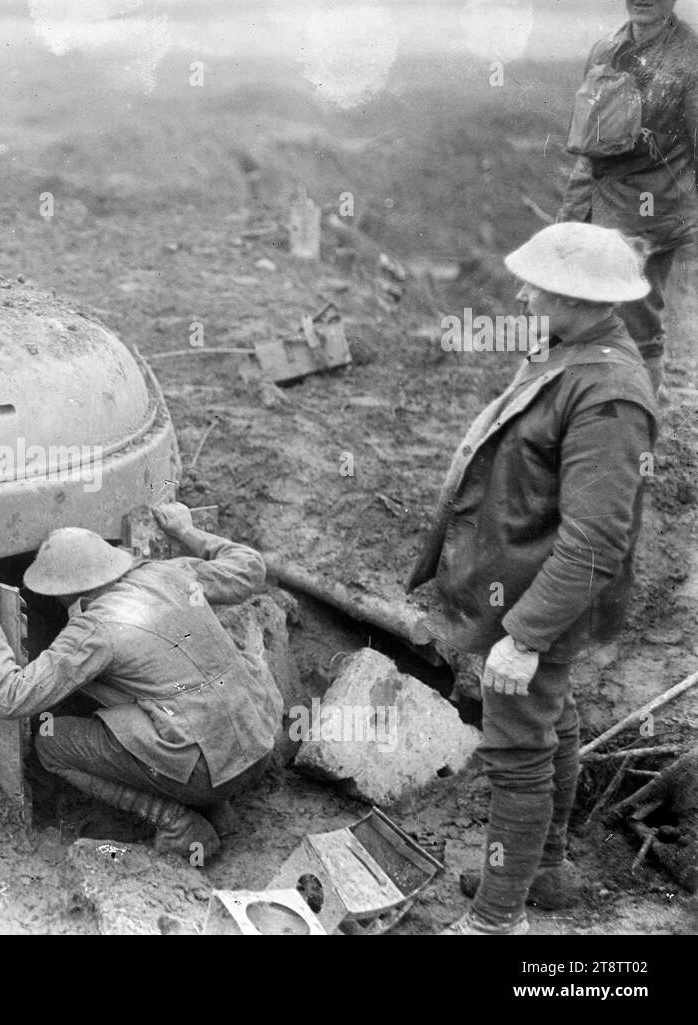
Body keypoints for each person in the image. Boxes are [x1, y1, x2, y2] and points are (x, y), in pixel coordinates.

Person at [406, 222, 657, 935]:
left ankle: (497, 917)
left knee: (517, 748)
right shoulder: (569, 349)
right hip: (523, 578)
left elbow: (597, 538)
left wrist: (523, 635)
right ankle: (542, 869)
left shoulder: (609, 398)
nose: (521, 290)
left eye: (539, 284)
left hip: (541, 596)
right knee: (554, 714)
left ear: (580, 297)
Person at [0, 503, 283, 865]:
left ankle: (177, 821)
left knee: (52, 744)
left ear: (61, 593)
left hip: (205, 774)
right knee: (155, 694)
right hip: (259, 743)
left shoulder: (94, 630)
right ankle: (218, 807)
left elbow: (10, 697)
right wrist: (186, 531)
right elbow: (249, 568)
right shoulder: (170, 574)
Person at [557, 0, 698, 396]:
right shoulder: (605, 50)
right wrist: (569, 216)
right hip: (592, 204)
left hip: (647, 218)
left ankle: (637, 431)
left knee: (637, 328)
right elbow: (588, 146)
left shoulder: (690, 61)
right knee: (569, 315)